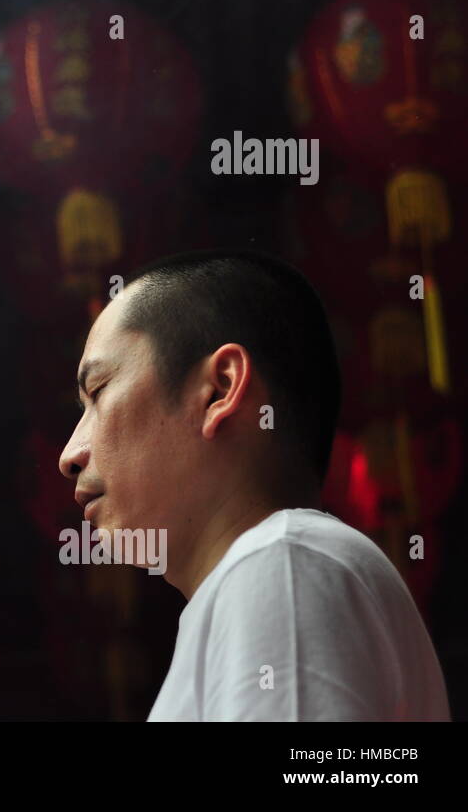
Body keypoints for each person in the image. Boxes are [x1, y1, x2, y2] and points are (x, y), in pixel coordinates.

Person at [58, 249, 450, 721]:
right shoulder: (272, 569)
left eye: (98, 391)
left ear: (220, 390)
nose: (69, 455)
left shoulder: (282, 562)